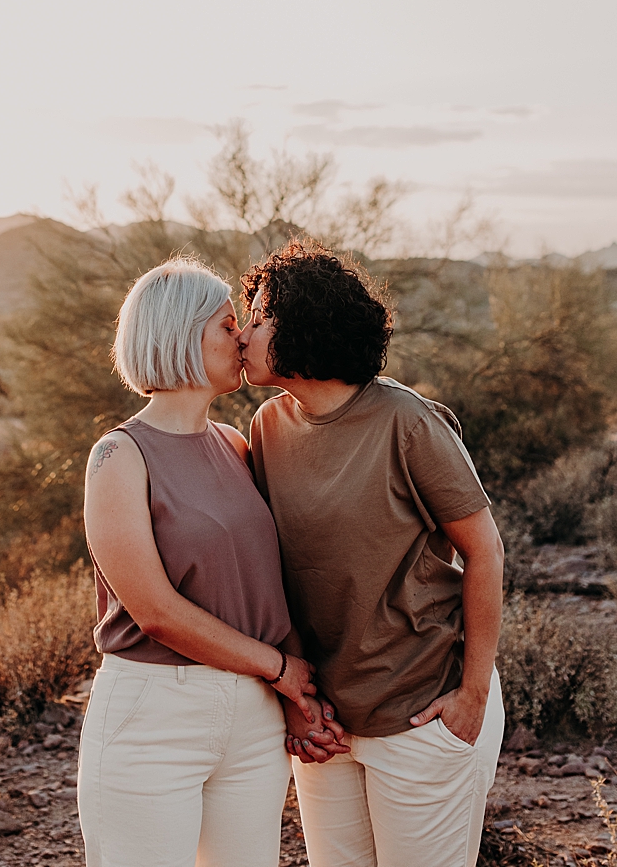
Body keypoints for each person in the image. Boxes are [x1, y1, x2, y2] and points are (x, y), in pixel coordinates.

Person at [241, 239, 506, 867]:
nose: (241, 332)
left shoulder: (406, 421)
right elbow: (278, 575)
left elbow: (485, 551)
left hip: (423, 709)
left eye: (257, 318)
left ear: (301, 327)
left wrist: (471, 695)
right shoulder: (268, 426)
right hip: (327, 723)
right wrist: (297, 704)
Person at [78, 257, 326, 867]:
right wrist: (279, 669)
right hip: (154, 714)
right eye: (225, 324)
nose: (242, 337)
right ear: (181, 336)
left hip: (254, 718)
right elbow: (158, 613)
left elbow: (271, 583)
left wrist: (293, 694)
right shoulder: (119, 457)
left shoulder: (236, 446)